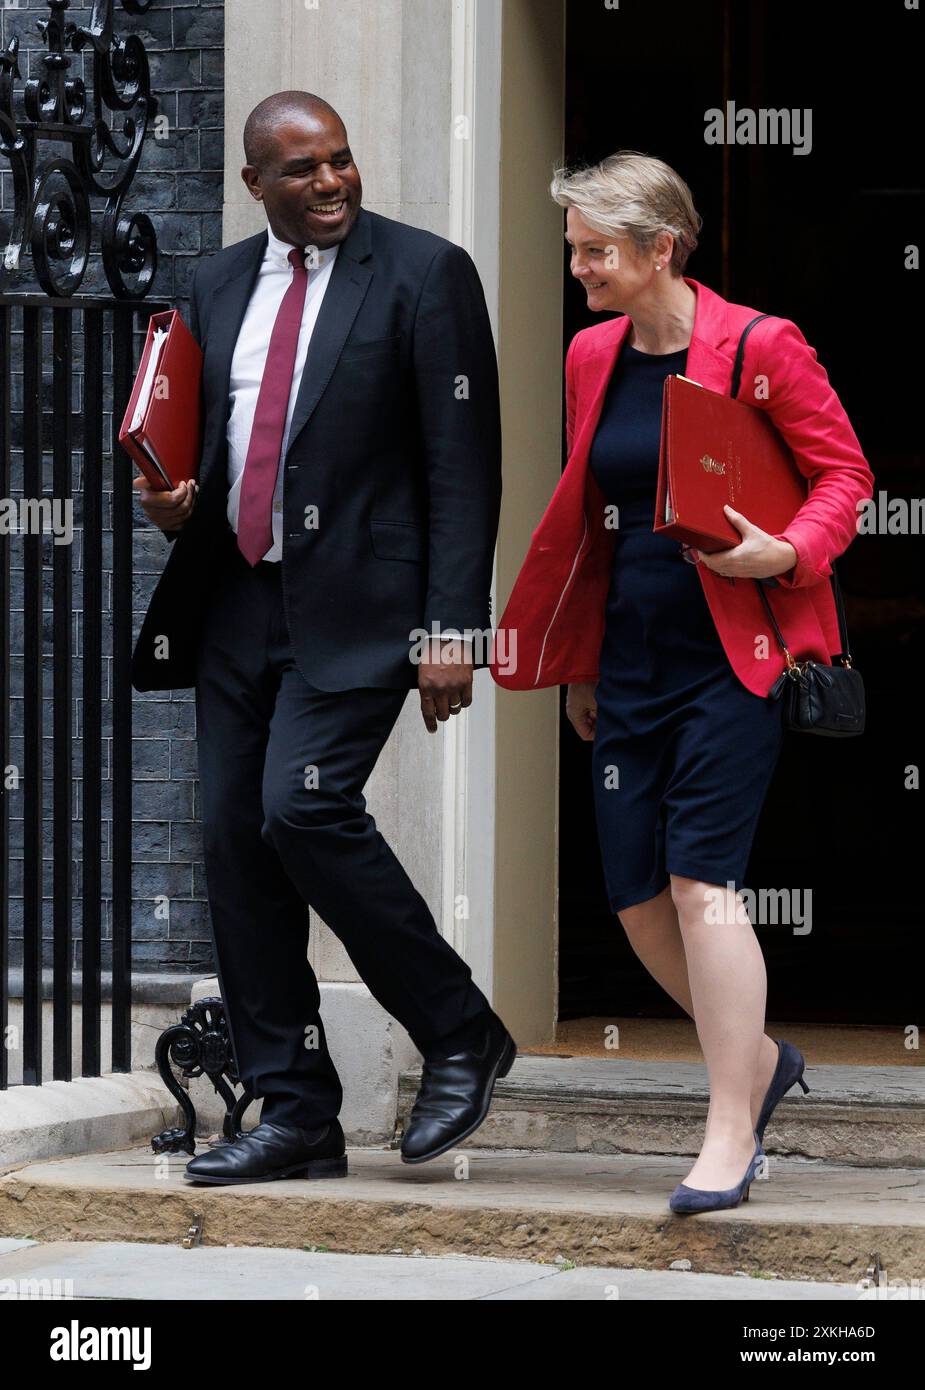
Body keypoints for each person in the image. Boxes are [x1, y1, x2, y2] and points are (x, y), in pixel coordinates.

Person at [131, 91, 514, 1184]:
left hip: (362, 609)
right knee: (234, 845)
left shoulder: (425, 273)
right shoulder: (213, 283)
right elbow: (204, 443)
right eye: (302, 170)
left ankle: (456, 1028)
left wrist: (454, 625)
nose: (333, 181)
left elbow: (461, 463)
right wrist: (173, 500)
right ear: (255, 184)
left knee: (301, 806)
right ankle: (295, 1110)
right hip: (235, 604)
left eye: (341, 160)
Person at [492, 152, 873, 1213]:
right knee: (635, 900)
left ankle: (729, 1124)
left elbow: (846, 476)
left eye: (594, 252)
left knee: (703, 884)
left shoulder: (760, 344)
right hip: (628, 659)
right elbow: (590, 521)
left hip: (732, 658)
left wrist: (785, 553)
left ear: (662, 249)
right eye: (573, 250)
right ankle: (757, 1057)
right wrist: (575, 666)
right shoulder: (589, 356)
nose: (577, 269)